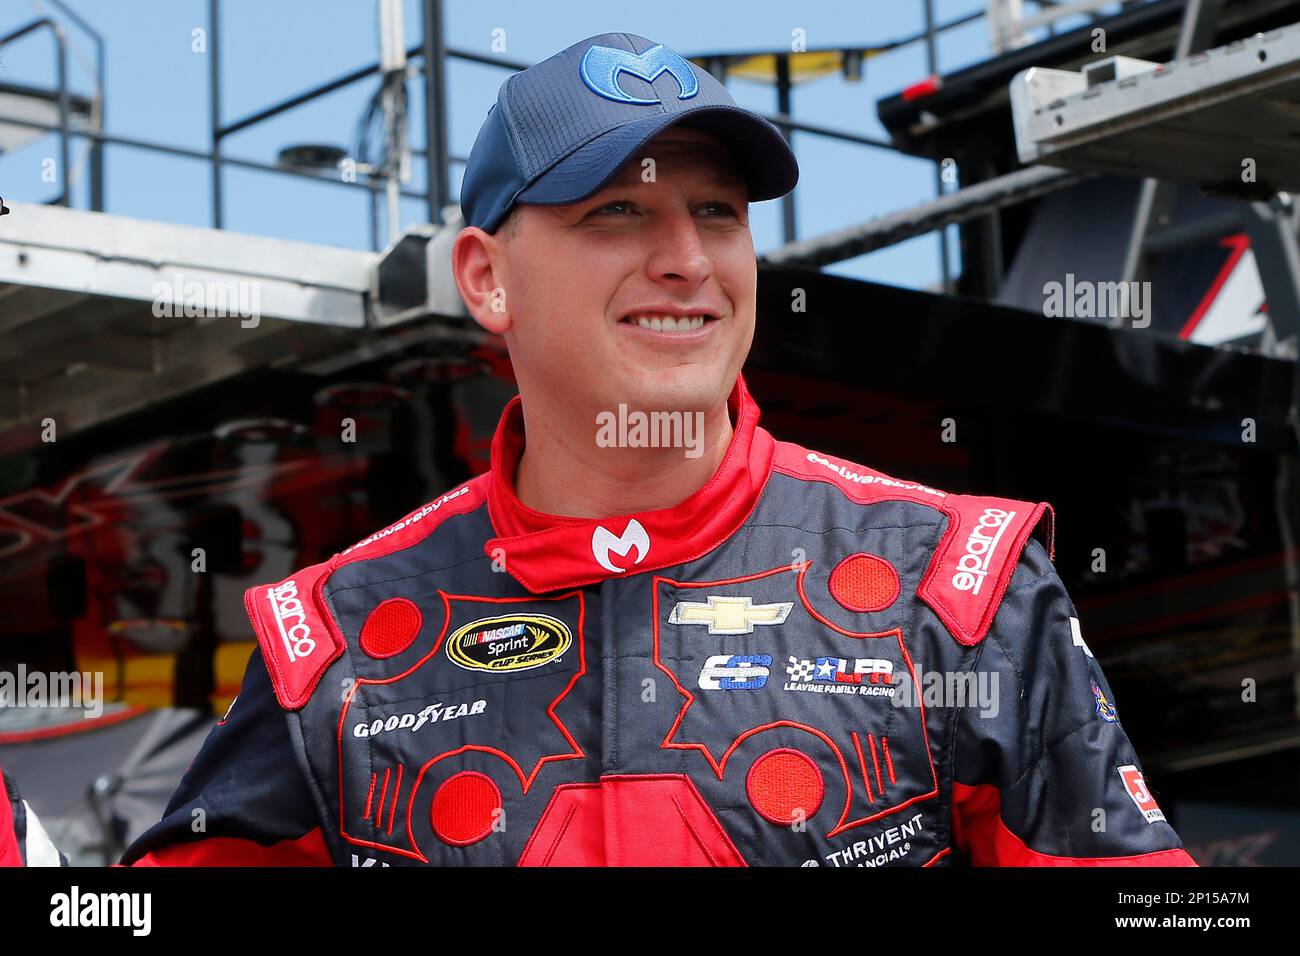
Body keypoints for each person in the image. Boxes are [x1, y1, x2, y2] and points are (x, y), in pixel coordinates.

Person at [121, 31, 1195, 867]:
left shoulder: (957, 583)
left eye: (716, 210)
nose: (685, 259)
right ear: (487, 277)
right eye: (618, 211)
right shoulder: (337, 642)